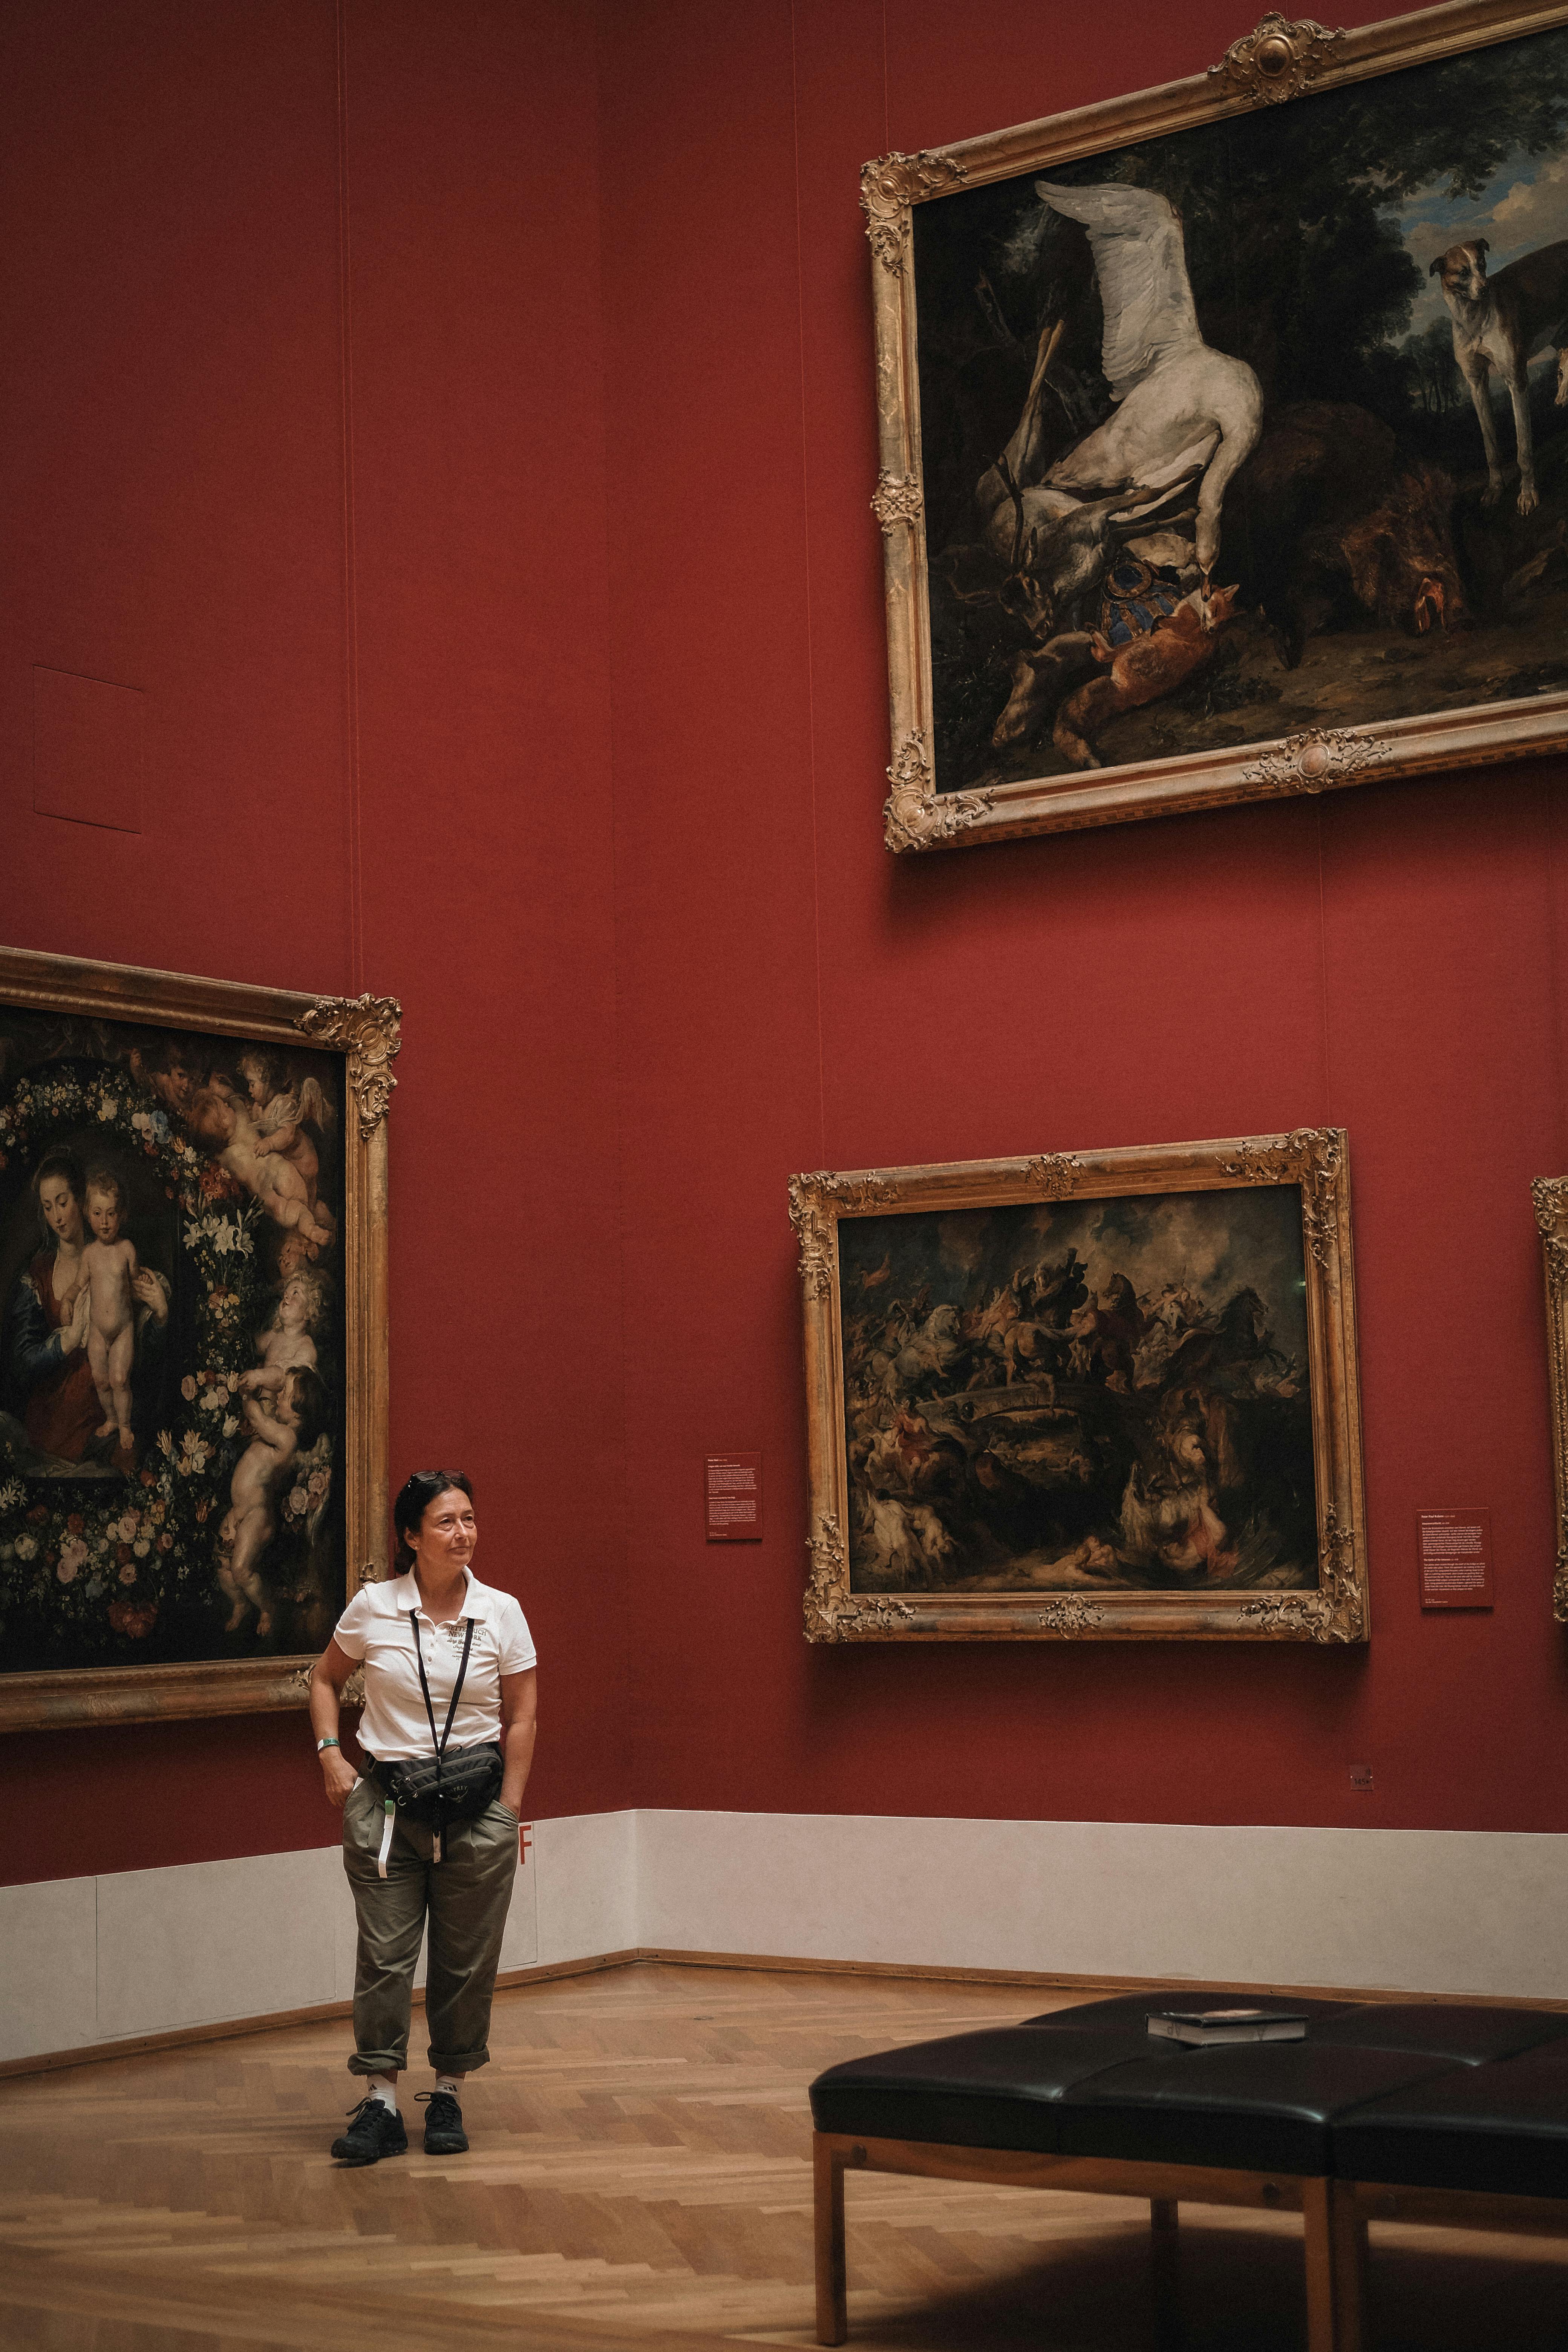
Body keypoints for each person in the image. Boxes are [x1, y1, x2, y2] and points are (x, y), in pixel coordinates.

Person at [308, 1471, 537, 2166]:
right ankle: (379, 2101)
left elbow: (523, 1715)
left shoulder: (502, 1611)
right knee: (384, 1957)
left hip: (475, 1813)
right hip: (385, 1808)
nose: (463, 1533)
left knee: (465, 1964)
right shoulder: (375, 1607)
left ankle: (448, 2096)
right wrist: (330, 1755)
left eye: (469, 1518)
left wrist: (510, 1811)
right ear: (411, 1537)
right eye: (446, 1522)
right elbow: (323, 1680)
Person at [1, 1151, 168, 1464]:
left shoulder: (118, 1259)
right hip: (57, 1418)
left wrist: (159, 1315)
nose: (57, 1218)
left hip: (107, 1411)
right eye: (48, 1208)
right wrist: (68, 1338)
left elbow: (145, 1355)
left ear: (81, 1200)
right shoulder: (36, 1277)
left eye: (63, 1203)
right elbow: (21, 1364)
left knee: (130, 1462)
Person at [80, 1167, 139, 1451]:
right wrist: (68, 1301)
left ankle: (126, 1425)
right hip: (97, 1332)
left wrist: (148, 1284)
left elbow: (137, 1282)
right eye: (97, 1213)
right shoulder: (89, 1253)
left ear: (121, 1215)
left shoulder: (127, 1249)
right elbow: (79, 1285)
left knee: (119, 1379)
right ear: (87, 1213)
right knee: (101, 1381)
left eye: (111, 1214)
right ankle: (112, 1419)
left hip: (122, 1330)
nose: (104, 1222)